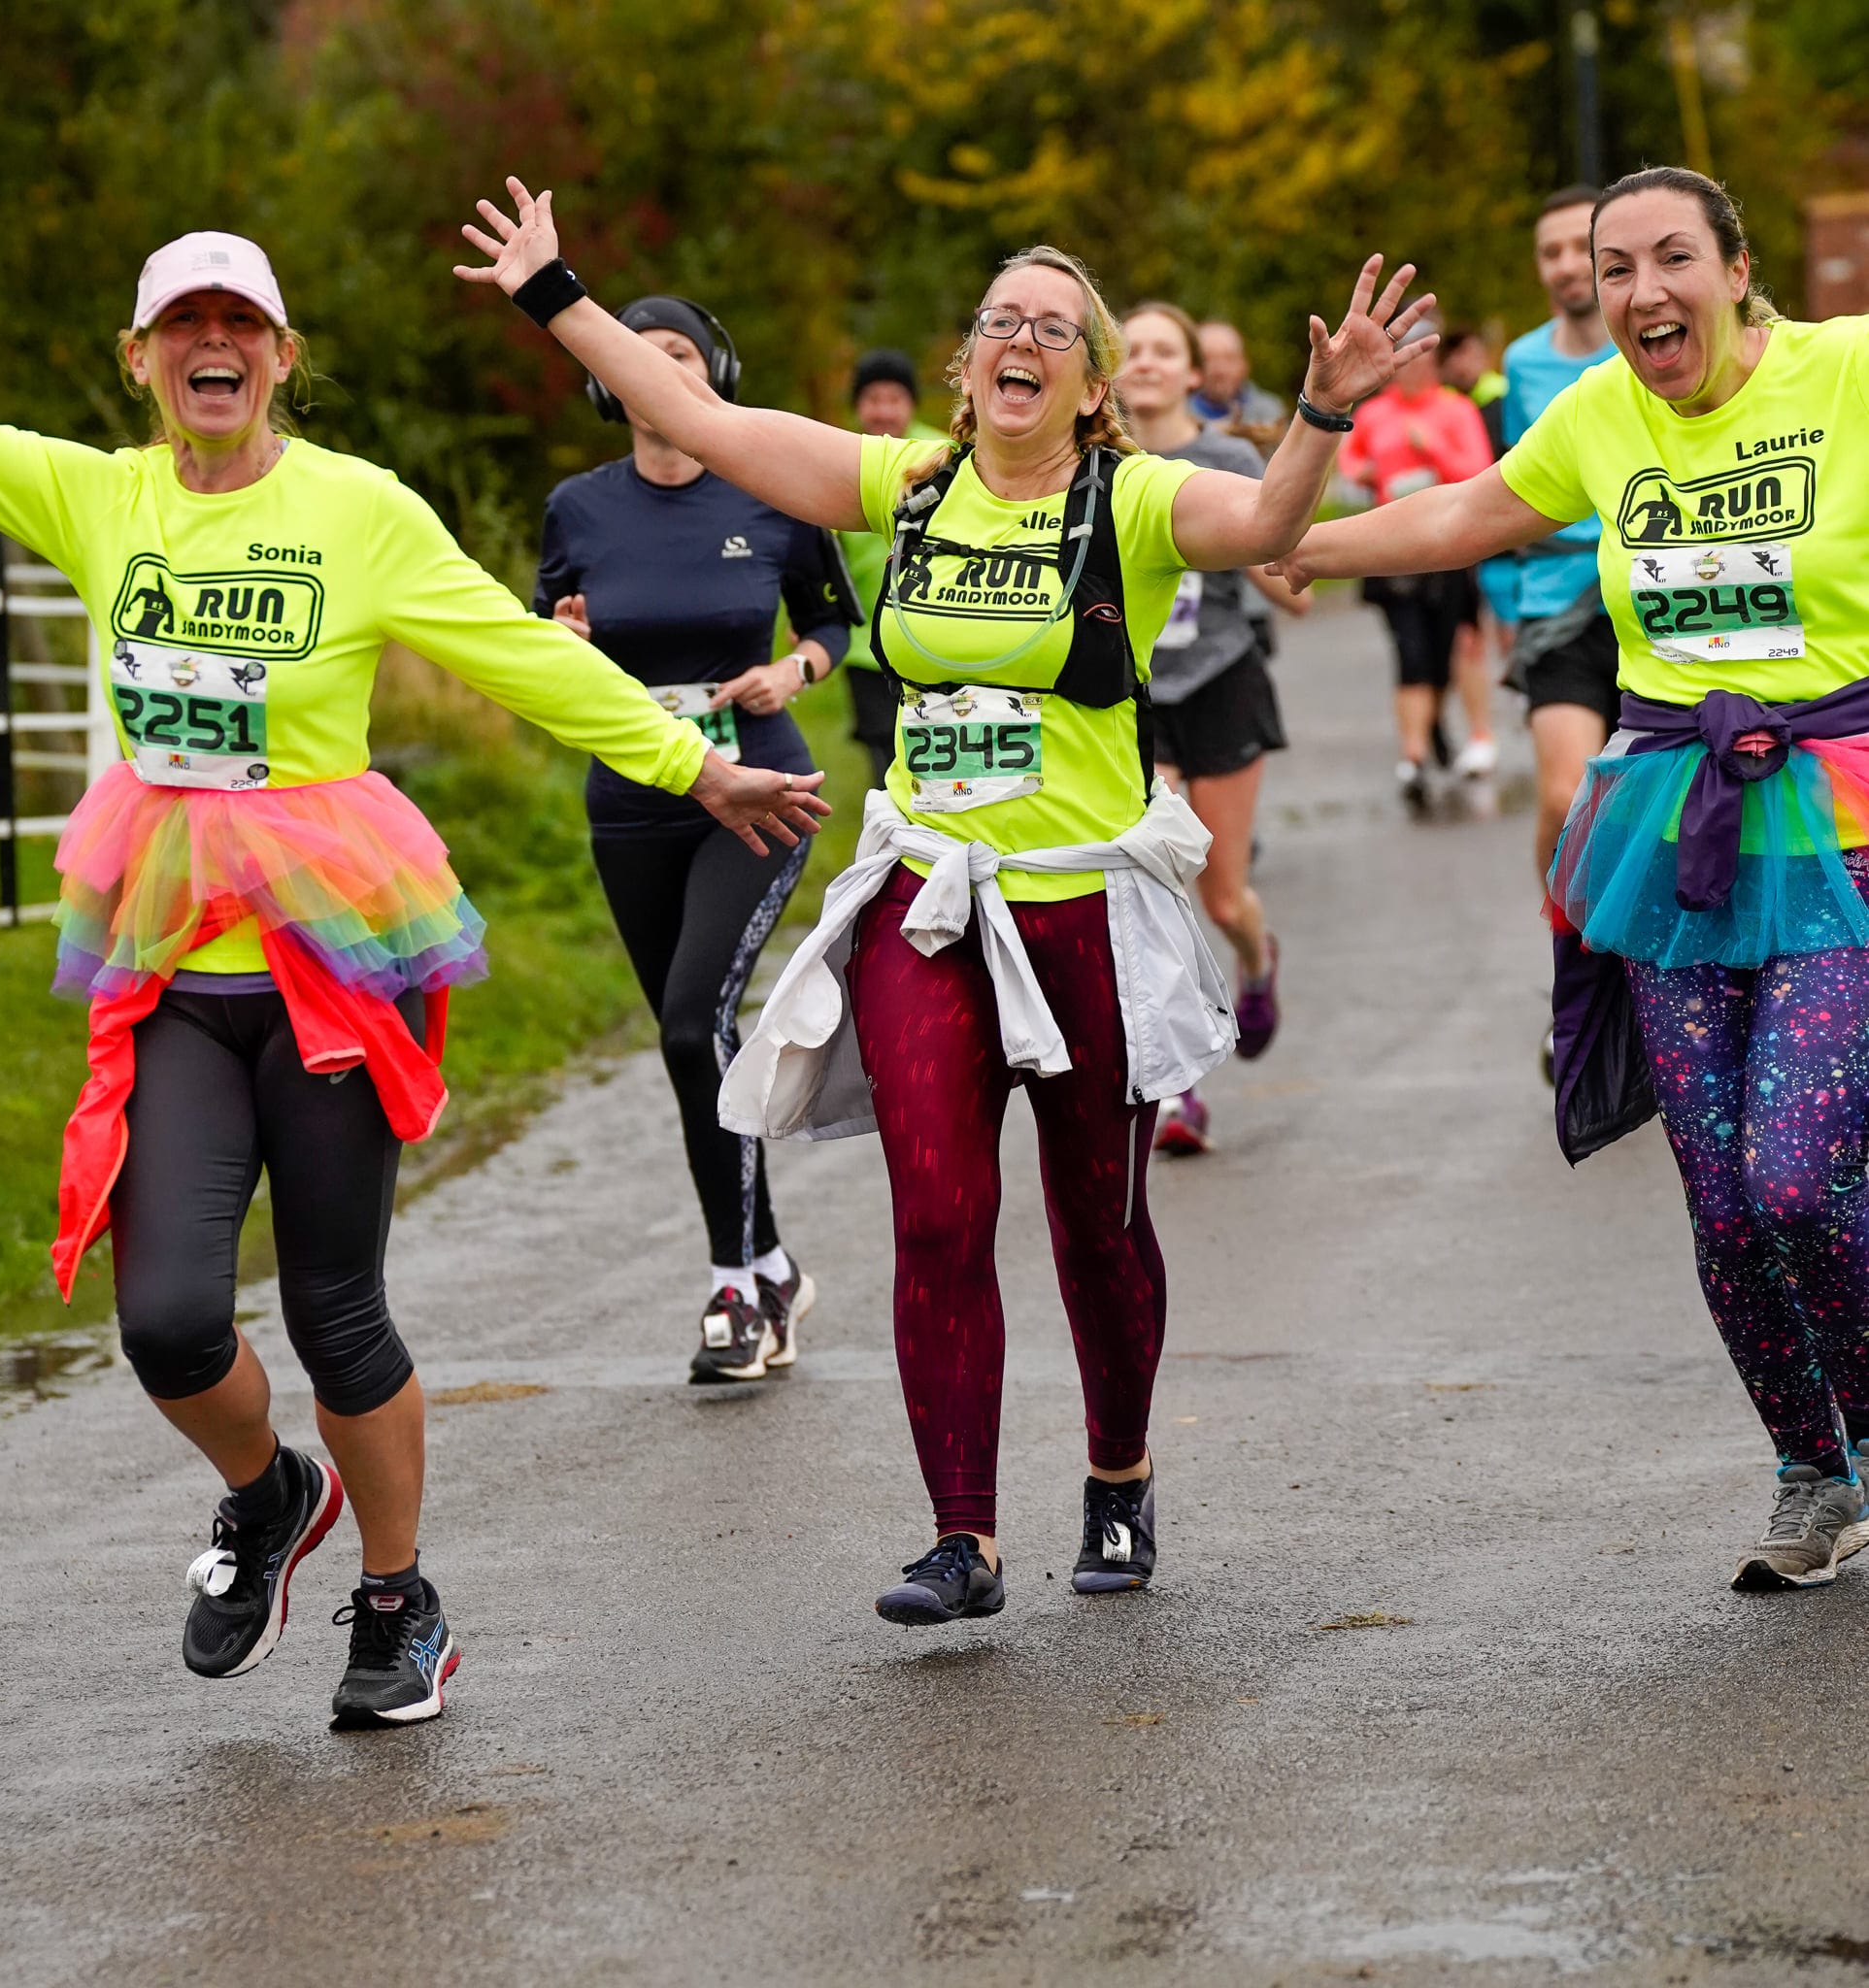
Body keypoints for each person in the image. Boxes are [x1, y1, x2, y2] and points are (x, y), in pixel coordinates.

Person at [456, 176, 1434, 1619]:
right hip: (932, 905)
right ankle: (960, 1537)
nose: (1018, 339)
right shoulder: (907, 482)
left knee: (1098, 1220)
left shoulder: (1134, 500)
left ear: (1092, 384)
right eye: (997, 321)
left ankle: (1117, 1479)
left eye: (1052, 327)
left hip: (1084, 910)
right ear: (967, 365)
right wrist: (556, 294)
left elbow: (1265, 516)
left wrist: (1323, 410)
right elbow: (705, 421)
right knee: (935, 1215)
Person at [0, 231, 822, 1730]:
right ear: (141, 359)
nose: (214, 344)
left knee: (335, 1307)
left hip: (334, 959)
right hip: (177, 962)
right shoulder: (97, 497)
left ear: (282, 356)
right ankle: (268, 1492)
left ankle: (400, 1603)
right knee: (166, 1321)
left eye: (242, 322)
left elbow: (520, 657)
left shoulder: (357, 510)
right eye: (183, 324)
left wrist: (695, 767)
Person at [1268, 166, 1869, 1593]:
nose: (1643, 291)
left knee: (1793, 1174)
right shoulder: (1601, 409)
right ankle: (1811, 1468)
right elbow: (1466, 515)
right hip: (1670, 829)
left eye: (1673, 258)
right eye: (1615, 269)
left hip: (1842, 817)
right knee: (1721, 1197)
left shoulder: (1846, 372)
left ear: (1737, 269)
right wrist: (1299, 544)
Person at [534, 294, 853, 1381]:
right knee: (692, 1048)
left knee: (689, 1023)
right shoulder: (577, 507)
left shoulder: (767, 488)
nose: (656, 370)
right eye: (635, 354)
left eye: (677, 353)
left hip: (757, 791)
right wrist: (562, 639)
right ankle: (770, 1267)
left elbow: (834, 619)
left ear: (714, 370)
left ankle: (735, 1282)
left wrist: (793, 669)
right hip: (630, 798)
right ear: (604, 379)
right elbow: (543, 638)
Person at [1118, 301, 1311, 1156]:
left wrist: (1286, 561)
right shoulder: (1094, 465)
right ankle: (1177, 1089)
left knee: (1220, 896)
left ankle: (1256, 959)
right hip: (1131, 698)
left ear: (1193, 374)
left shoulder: (1226, 460)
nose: (1145, 362)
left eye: (1164, 351)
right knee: (1151, 883)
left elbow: (1287, 580)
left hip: (1221, 680)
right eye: (1131, 349)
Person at [1489, 188, 1621, 1086]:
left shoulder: (1651, 346)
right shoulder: (1522, 361)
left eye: (1582, 248)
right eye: (1551, 252)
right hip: (1555, 604)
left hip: (1649, 597)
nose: (1567, 266)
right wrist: (1502, 596)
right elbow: (1507, 491)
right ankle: (1573, 980)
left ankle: (1661, 974)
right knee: (1565, 796)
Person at [1338, 326, 1496, 807]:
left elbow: (1481, 472)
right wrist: (1364, 473)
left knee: (1448, 651)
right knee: (1411, 653)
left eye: (1420, 363)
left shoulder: (1456, 409)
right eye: (1402, 364)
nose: (1411, 372)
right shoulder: (1373, 413)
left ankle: (1439, 728)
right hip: (1393, 551)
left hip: (1448, 548)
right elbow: (1349, 462)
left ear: (1433, 366)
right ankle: (1412, 758)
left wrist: (1433, 449)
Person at [836, 348, 946, 784]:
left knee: (932, 739)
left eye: (894, 399)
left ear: (912, 403)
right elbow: (826, 549)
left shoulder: (942, 455)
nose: (883, 411)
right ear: (858, 405)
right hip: (864, 640)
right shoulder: (843, 458)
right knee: (882, 745)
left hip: (929, 631)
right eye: (872, 399)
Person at [1191, 319, 1287, 433]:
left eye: (1230, 358)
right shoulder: (1176, 413)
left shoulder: (1270, 411)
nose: (1220, 370)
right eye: (1208, 359)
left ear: (1245, 364)